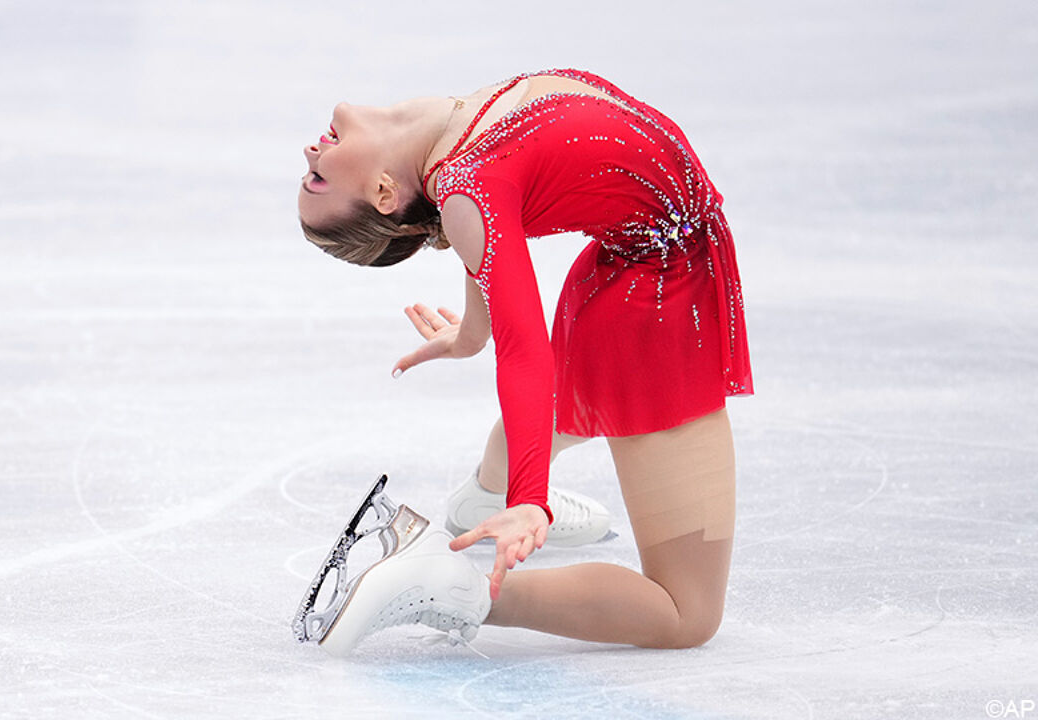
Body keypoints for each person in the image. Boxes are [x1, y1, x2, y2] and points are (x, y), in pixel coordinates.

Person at [297, 69, 752, 653]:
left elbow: (482, 230)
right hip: (657, 308)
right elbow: (526, 353)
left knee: (573, 405)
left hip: (631, 275)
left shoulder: (451, 141)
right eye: (317, 179)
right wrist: (529, 500)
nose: (310, 153)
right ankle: (451, 586)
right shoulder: (464, 186)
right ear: (384, 192)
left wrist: (471, 333)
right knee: (687, 613)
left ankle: (484, 494)